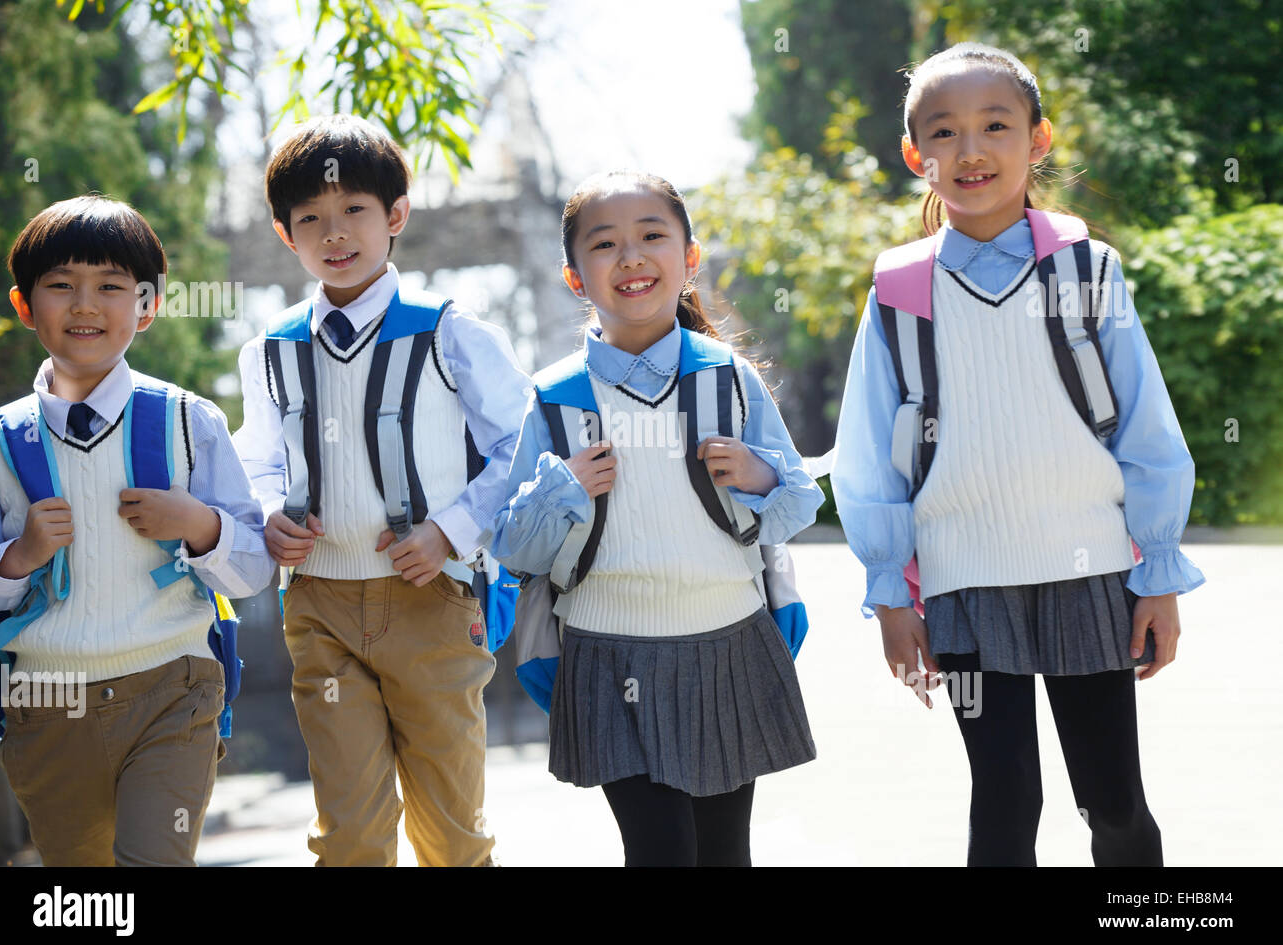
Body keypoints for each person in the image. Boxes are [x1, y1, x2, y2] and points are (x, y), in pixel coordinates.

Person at [832, 43, 1205, 866]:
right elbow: (867, 458)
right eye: (945, 132)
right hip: (965, 586)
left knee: (1111, 800)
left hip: (1090, 573)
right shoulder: (897, 292)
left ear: (1037, 141)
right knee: (1005, 805)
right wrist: (892, 591)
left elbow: (1146, 425)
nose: (971, 151)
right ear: (914, 155)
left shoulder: (1086, 268)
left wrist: (1160, 569)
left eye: (995, 126)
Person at [490, 170, 823, 866]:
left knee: (724, 852)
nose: (632, 257)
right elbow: (514, 549)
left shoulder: (728, 377)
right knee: (660, 850)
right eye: (605, 244)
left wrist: (759, 476)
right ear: (576, 278)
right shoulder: (553, 398)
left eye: (651, 237)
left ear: (689, 258)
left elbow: (797, 504)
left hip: (725, 644)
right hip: (606, 657)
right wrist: (563, 490)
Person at [233, 114, 531, 867]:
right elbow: (258, 459)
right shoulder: (270, 349)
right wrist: (269, 512)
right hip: (320, 608)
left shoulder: (450, 331)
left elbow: (523, 447)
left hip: (432, 601)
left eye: (354, 211)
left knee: (452, 829)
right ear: (284, 234)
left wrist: (452, 530)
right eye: (311, 220)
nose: (335, 234)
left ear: (395, 215)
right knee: (350, 832)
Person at [0, 194, 274, 865]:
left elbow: (255, 568)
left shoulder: (187, 422)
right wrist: (16, 558)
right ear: (25, 307)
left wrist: (200, 526)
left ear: (147, 305)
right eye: (61, 287)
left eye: (111, 287)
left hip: (172, 688)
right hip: (44, 706)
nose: (86, 305)